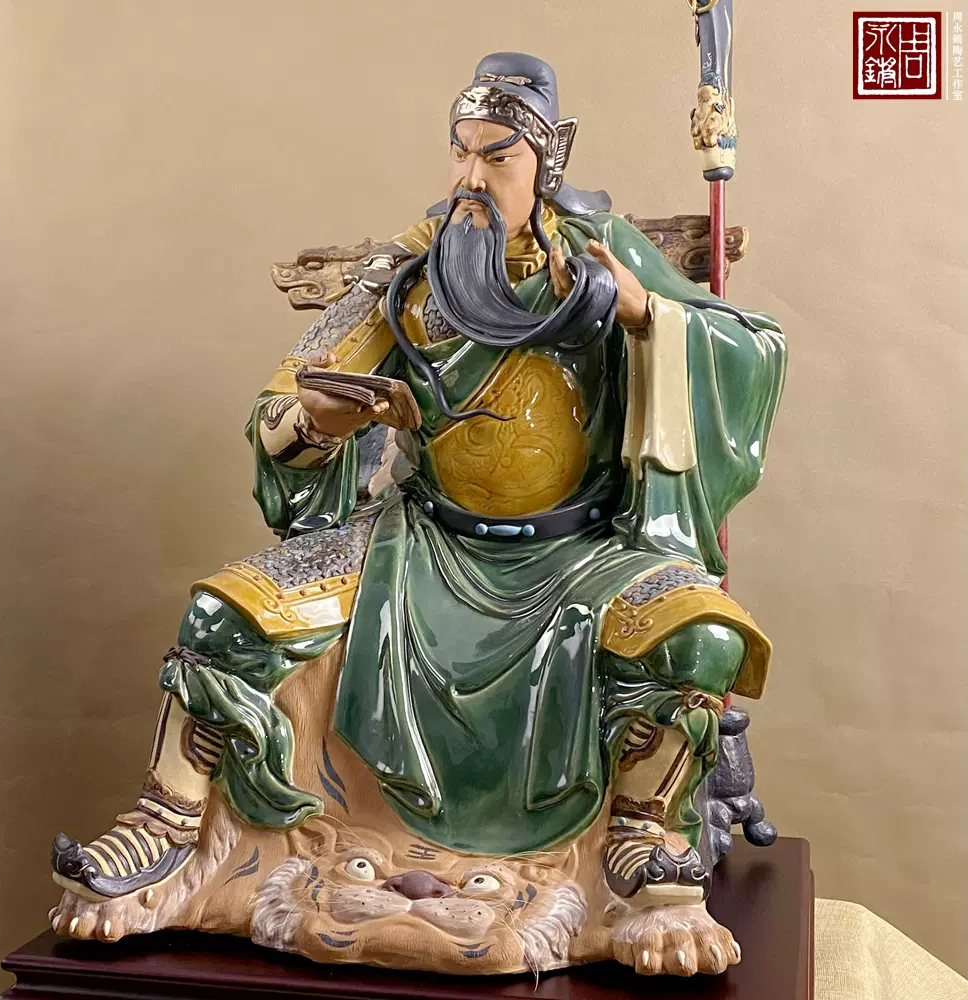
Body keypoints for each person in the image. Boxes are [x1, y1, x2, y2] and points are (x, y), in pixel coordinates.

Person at [53, 51, 785, 933]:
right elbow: (281, 409)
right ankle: (165, 825)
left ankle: (639, 832)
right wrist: (321, 417)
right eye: (460, 151)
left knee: (702, 640)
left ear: (548, 160)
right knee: (222, 616)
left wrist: (647, 318)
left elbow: (751, 348)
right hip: (418, 547)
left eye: (499, 156)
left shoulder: (601, 253)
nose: (473, 177)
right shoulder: (406, 271)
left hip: (582, 555)